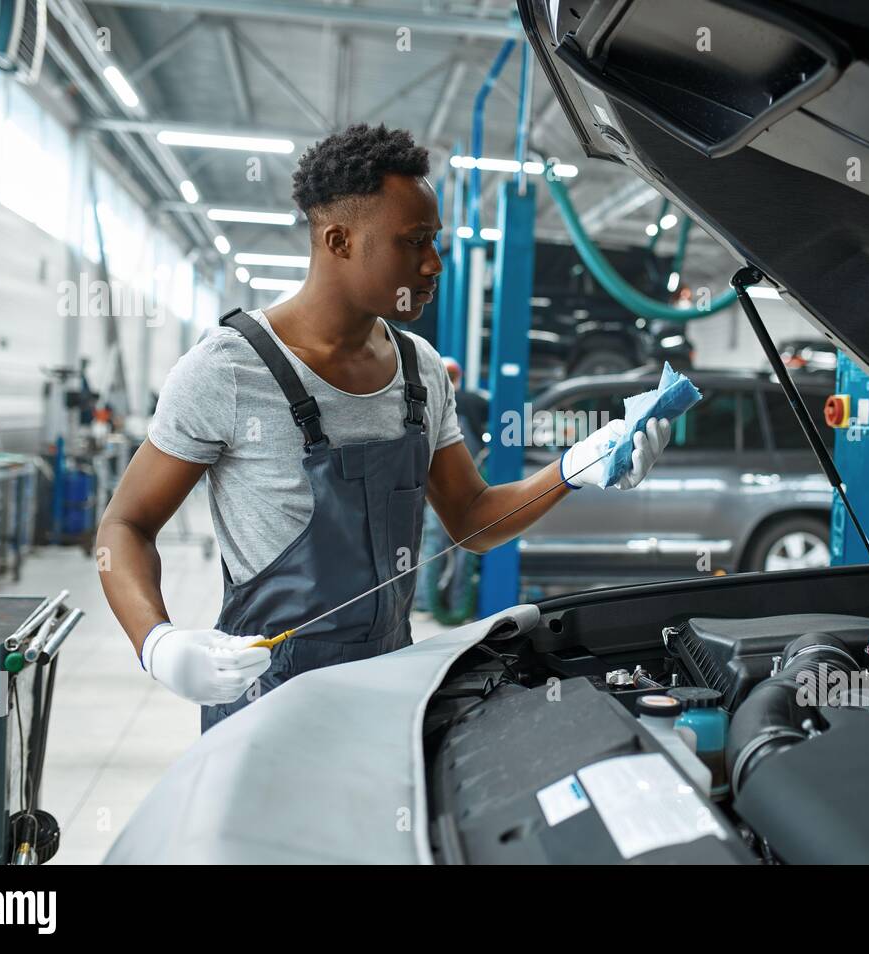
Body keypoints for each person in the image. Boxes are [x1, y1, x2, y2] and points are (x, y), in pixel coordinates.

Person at [96, 123, 672, 733]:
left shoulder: (421, 369)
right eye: (414, 241)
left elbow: (473, 521)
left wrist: (574, 469)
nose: (435, 263)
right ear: (339, 240)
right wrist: (156, 643)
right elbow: (125, 525)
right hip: (263, 707)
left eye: (435, 240)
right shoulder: (227, 371)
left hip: (387, 695)